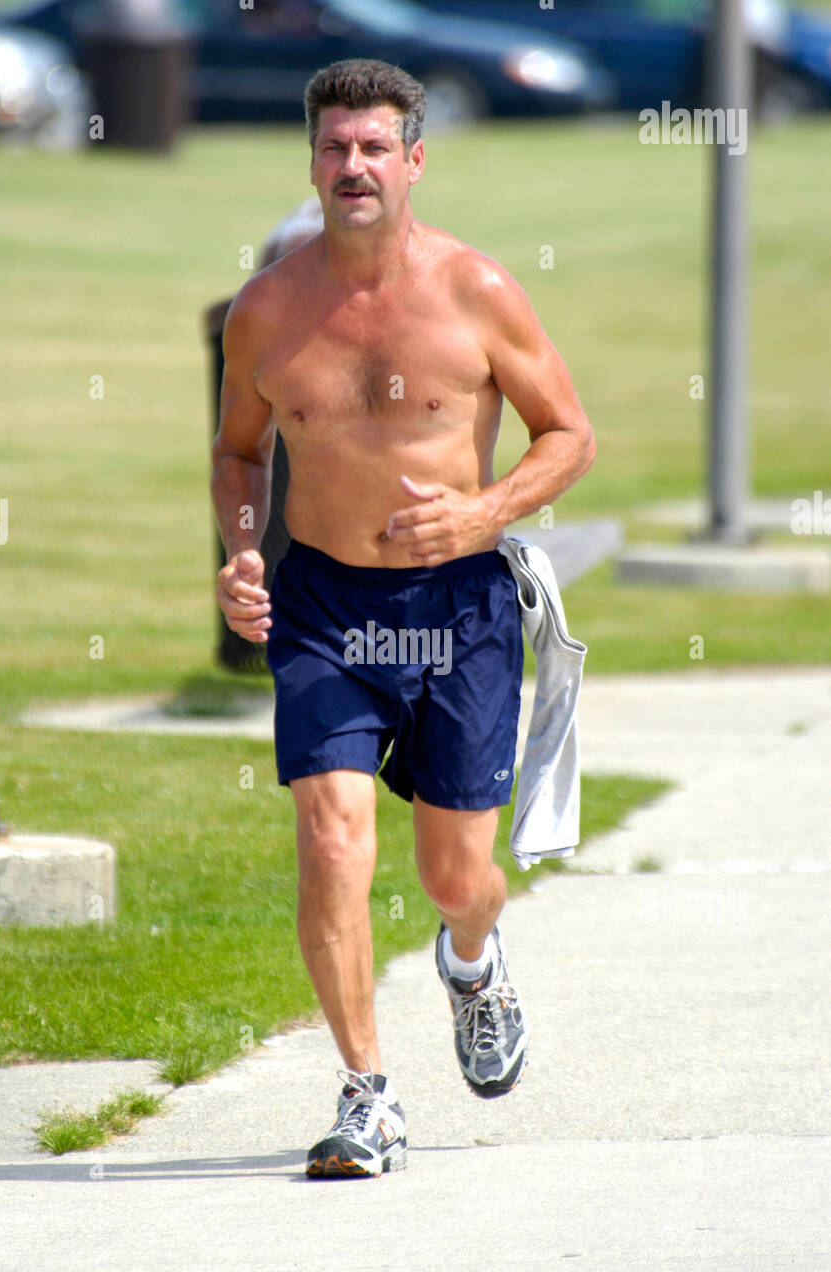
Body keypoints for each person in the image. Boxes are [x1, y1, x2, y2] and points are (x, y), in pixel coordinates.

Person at [211, 58, 595, 1178]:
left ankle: (471, 962)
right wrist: (245, 551)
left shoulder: (475, 289)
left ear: (413, 160)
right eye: (333, 146)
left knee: (453, 876)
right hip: (325, 603)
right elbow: (240, 448)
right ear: (312, 161)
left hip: (459, 609)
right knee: (330, 840)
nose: (352, 166)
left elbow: (565, 434)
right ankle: (365, 1094)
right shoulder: (269, 309)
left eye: (374, 146)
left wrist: (483, 509)